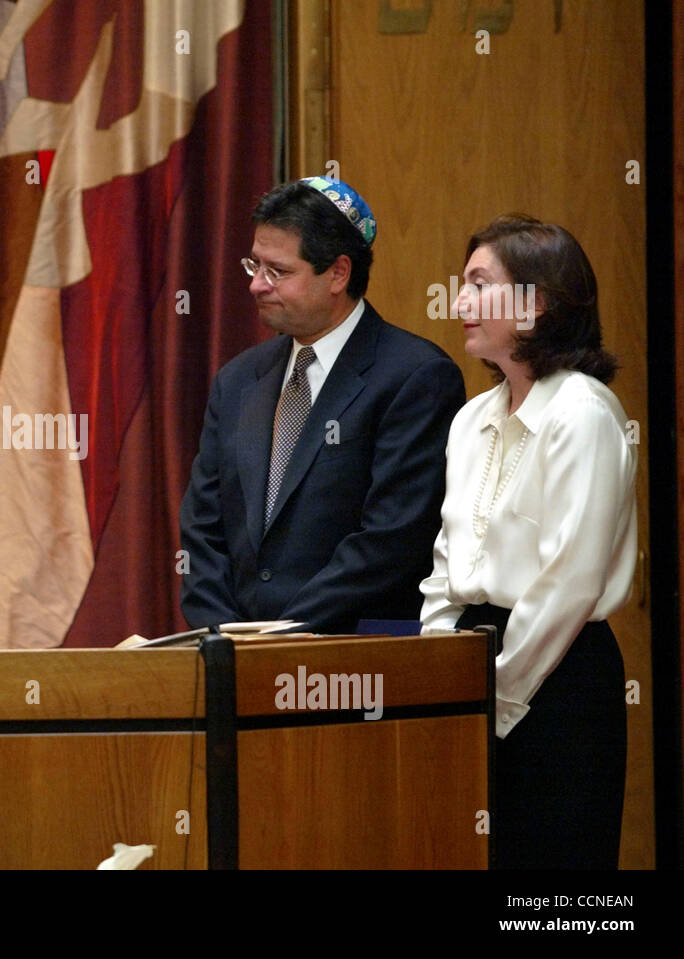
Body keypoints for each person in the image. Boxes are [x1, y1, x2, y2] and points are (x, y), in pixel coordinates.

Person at [420, 215, 636, 869]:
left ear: (535, 302)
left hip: (558, 673)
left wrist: (499, 697)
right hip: (476, 661)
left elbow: (568, 583)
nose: (458, 303)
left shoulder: (584, 411)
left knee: (555, 880)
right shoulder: (470, 418)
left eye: (478, 284)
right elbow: (445, 563)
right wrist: (440, 677)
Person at [180, 176, 465, 632]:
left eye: (278, 271)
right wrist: (221, 638)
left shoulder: (416, 376)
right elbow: (202, 528)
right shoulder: (237, 381)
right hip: (235, 659)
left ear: (338, 273)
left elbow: (391, 541)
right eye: (254, 265)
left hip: (354, 661)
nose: (256, 285)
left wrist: (282, 634)